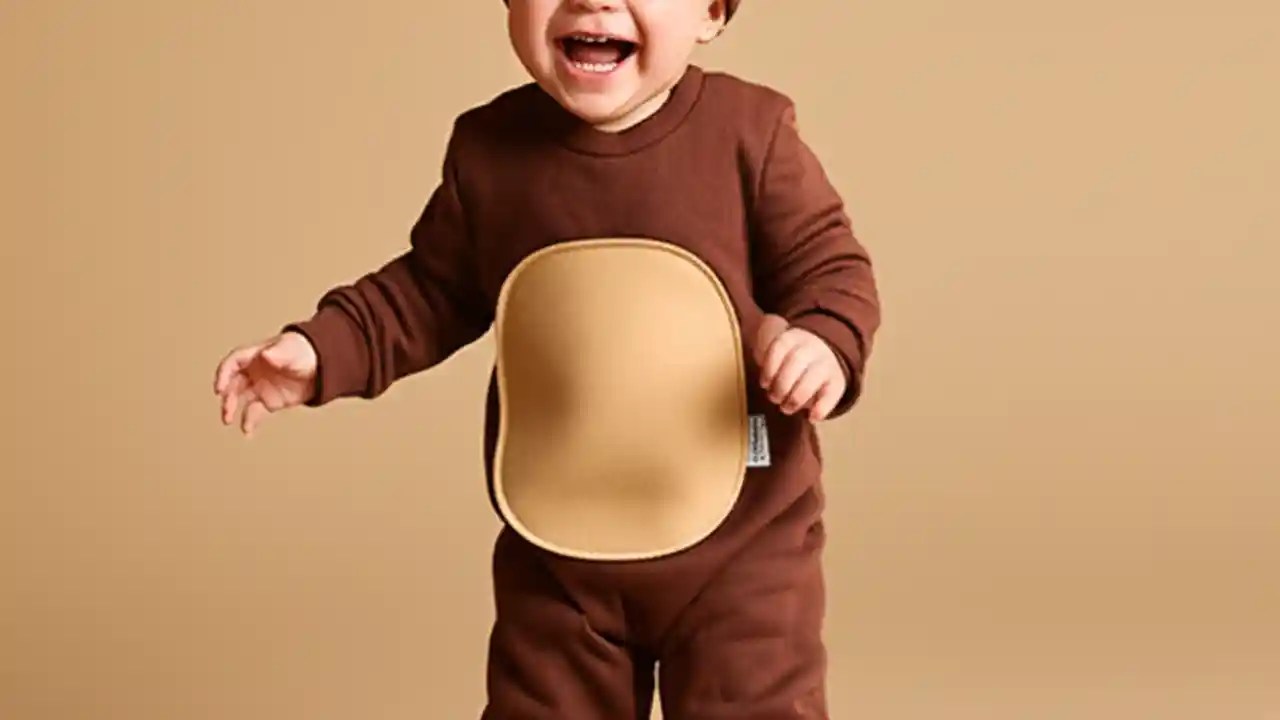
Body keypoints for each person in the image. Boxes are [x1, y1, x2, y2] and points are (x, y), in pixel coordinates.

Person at [212, 0, 881, 717]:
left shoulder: (750, 132)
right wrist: (321, 348)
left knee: (752, 707)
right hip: (560, 546)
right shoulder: (491, 150)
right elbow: (429, 290)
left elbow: (829, 267)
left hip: (743, 541)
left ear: (711, 11)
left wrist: (823, 340)